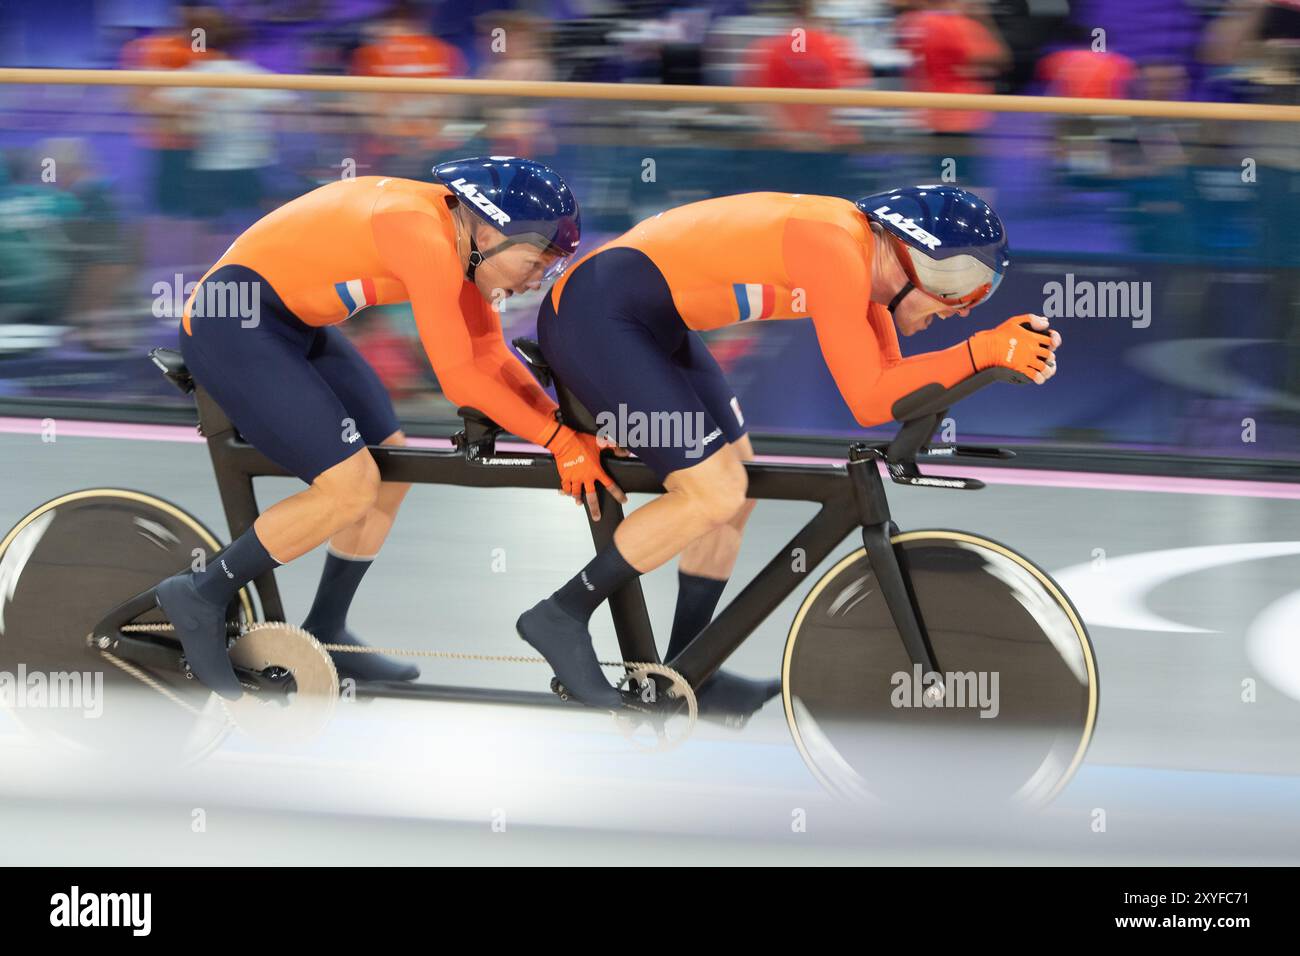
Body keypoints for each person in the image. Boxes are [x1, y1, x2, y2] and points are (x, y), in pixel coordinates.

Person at [519, 185, 1061, 711]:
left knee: (740, 490)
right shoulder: (834, 248)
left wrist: (987, 361)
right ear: (909, 251)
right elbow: (870, 400)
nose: (963, 305)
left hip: (650, 323)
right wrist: (982, 349)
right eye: (956, 280)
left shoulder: (864, 262)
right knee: (714, 492)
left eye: (979, 288)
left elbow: (894, 381)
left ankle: (686, 670)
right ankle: (561, 613)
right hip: (597, 316)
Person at [155, 156, 607, 700]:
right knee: (351, 489)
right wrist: (559, 442)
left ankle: (325, 627)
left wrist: (560, 425)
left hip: (294, 322)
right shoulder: (422, 235)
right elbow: (462, 379)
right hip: (233, 321)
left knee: (392, 462)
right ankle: (200, 593)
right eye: (537, 262)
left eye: (551, 268)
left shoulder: (468, 244)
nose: (538, 280)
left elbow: (489, 351)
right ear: (490, 229)